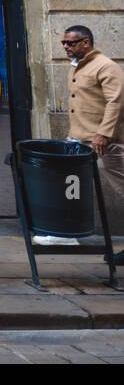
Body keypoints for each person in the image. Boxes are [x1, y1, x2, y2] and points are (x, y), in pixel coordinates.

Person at [61, 25, 124, 239]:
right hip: (77, 140)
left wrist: (104, 134)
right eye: (63, 42)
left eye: (70, 42)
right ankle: (66, 231)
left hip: (103, 142)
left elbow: (115, 102)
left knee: (120, 187)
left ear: (85, 42)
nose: (65, 47)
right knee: (71, 187)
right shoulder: (76, 66)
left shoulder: (106, 66)